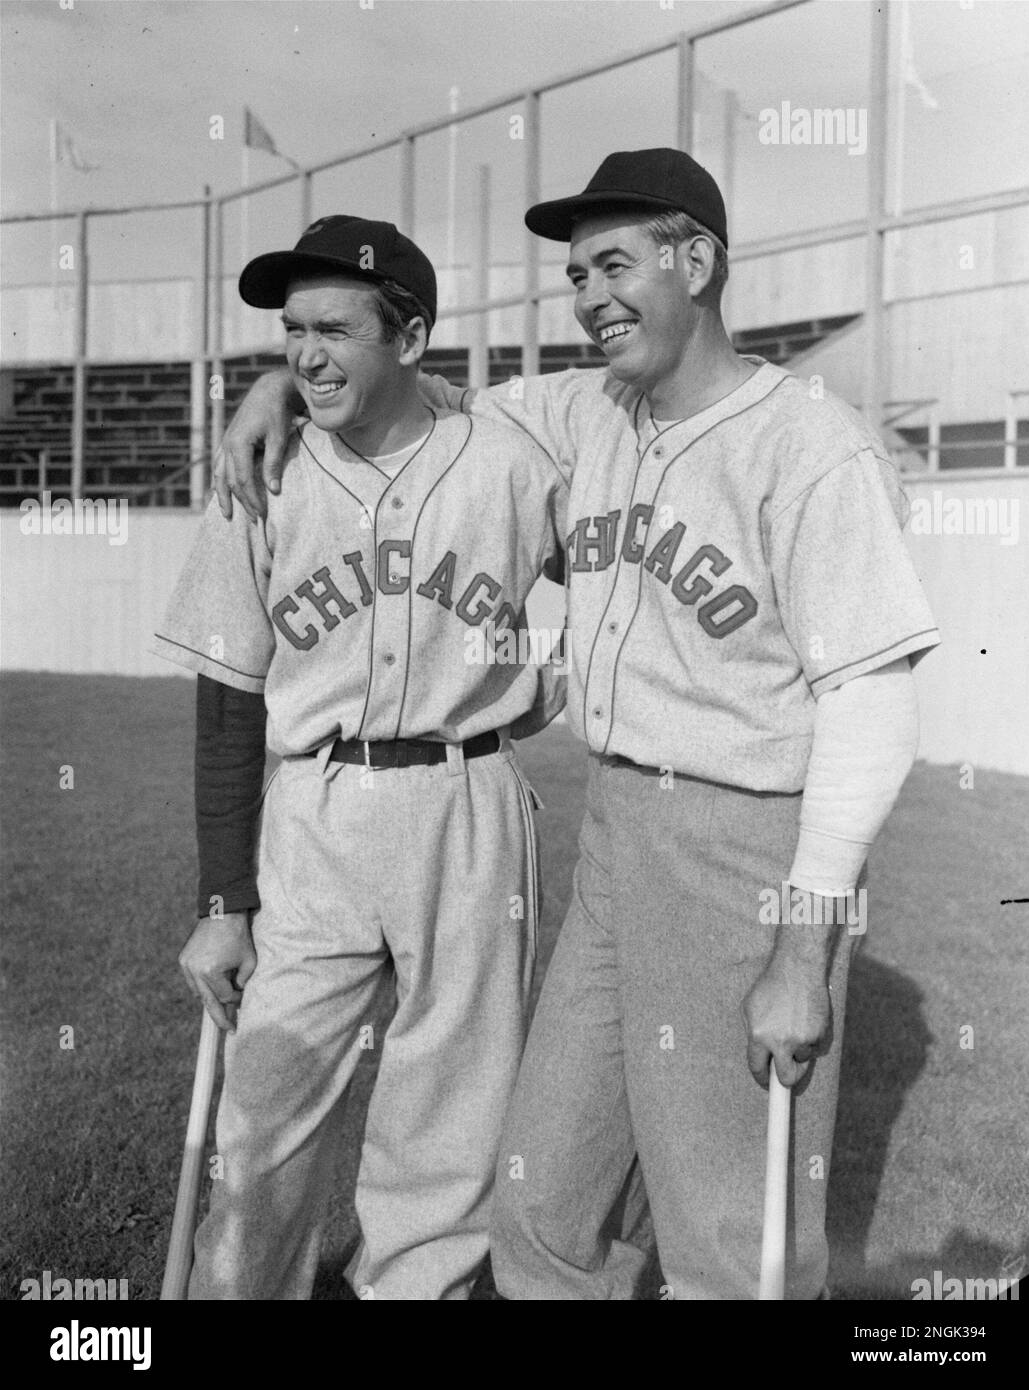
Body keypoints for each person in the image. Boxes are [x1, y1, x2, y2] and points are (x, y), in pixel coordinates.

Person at [213, 149, 940, 1300]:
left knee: (729, 1234)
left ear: (695, 261)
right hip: (614, 833)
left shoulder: (808, 445)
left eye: (613, 264)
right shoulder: (582, 408)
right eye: (575, 275)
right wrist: (275, 386)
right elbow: (422, 401)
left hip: (743, 841)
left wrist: (803, 948)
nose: (590, 296)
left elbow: (871, 700)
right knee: (541, 1200)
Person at [151, 214, 567, 1300]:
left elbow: (626, 541)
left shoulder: (513, 461)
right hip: (319, 807)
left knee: (453, 1132)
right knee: (261, 1120)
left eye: (334, 330)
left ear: (412, 337)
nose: (303, 355)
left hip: (469, 796)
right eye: (292, 334)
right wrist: (219, 899)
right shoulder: (267, 470)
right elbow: (228, 695)